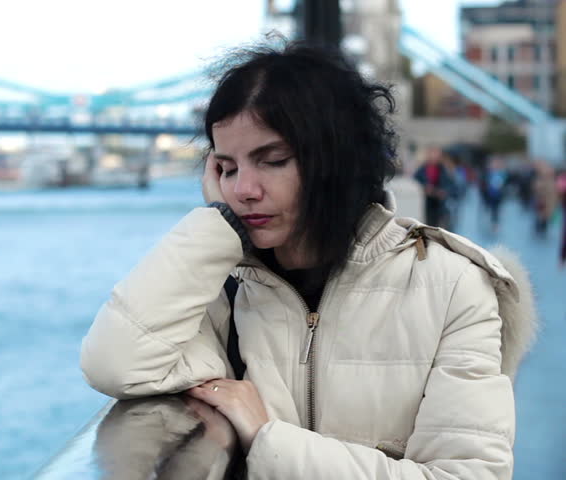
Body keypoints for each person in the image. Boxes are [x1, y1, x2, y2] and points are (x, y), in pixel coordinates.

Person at [80, 42, 535, 479]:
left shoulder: (452, 285)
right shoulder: (224, 288)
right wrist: (216, 224)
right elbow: (114, 362)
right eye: (227, 168)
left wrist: (268, 441)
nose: (243, 190)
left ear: (336, 160)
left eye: (272, 159)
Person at [413, 146, 454, 228]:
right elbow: (415, 182)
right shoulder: (422, 170)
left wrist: (444, 192)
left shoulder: (444, 170)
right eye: (432, 154)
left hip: (439, 204)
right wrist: (424, 188)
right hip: (426, 202)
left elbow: (451, 186)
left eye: (436, 154)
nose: (433, 157)